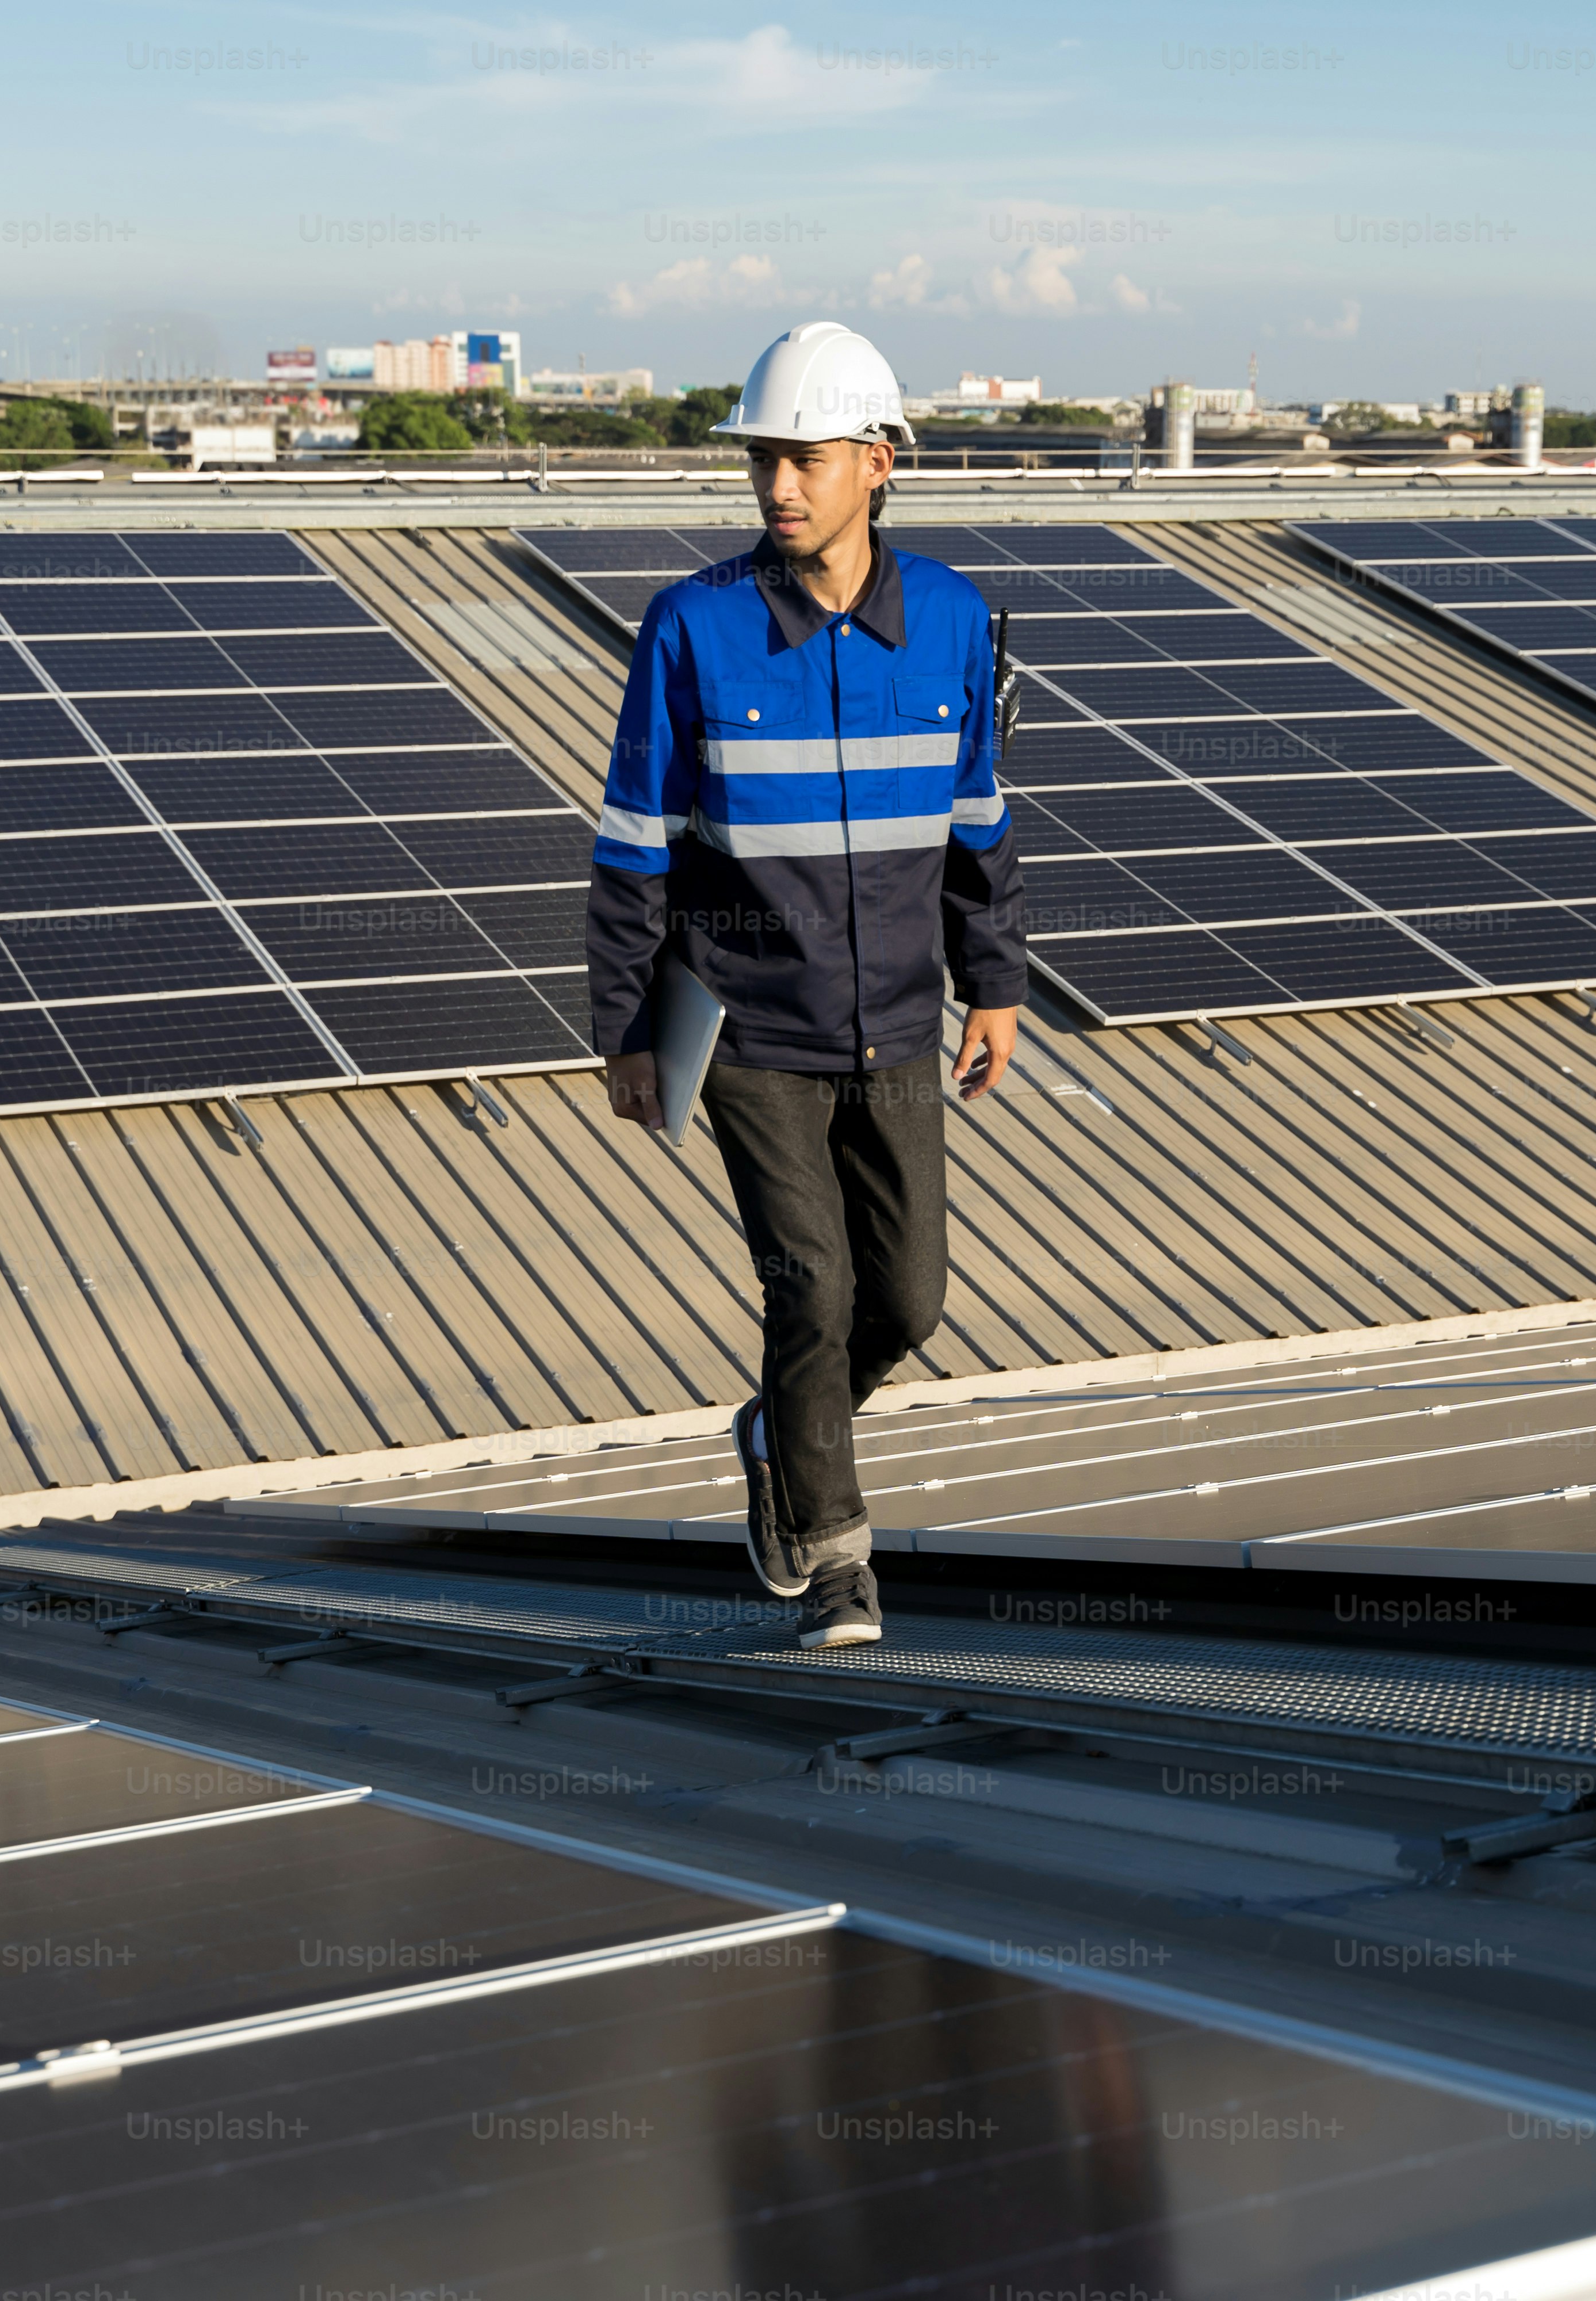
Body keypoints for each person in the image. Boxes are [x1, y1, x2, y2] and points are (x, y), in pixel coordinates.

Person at [583, 321, 1027, 1650]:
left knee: (909, 1301)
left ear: (879, 462)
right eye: (764, 459)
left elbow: (981, 821)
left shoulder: (949, 619)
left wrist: (992, 983)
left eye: (806, 457)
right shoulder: (695, 625)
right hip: (745, 1031)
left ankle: (783, 1425)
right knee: (812, 1289)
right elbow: (632, 843)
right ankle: (837, 1560)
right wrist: (624, 1028)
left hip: (897, 1023)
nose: (779, 484)